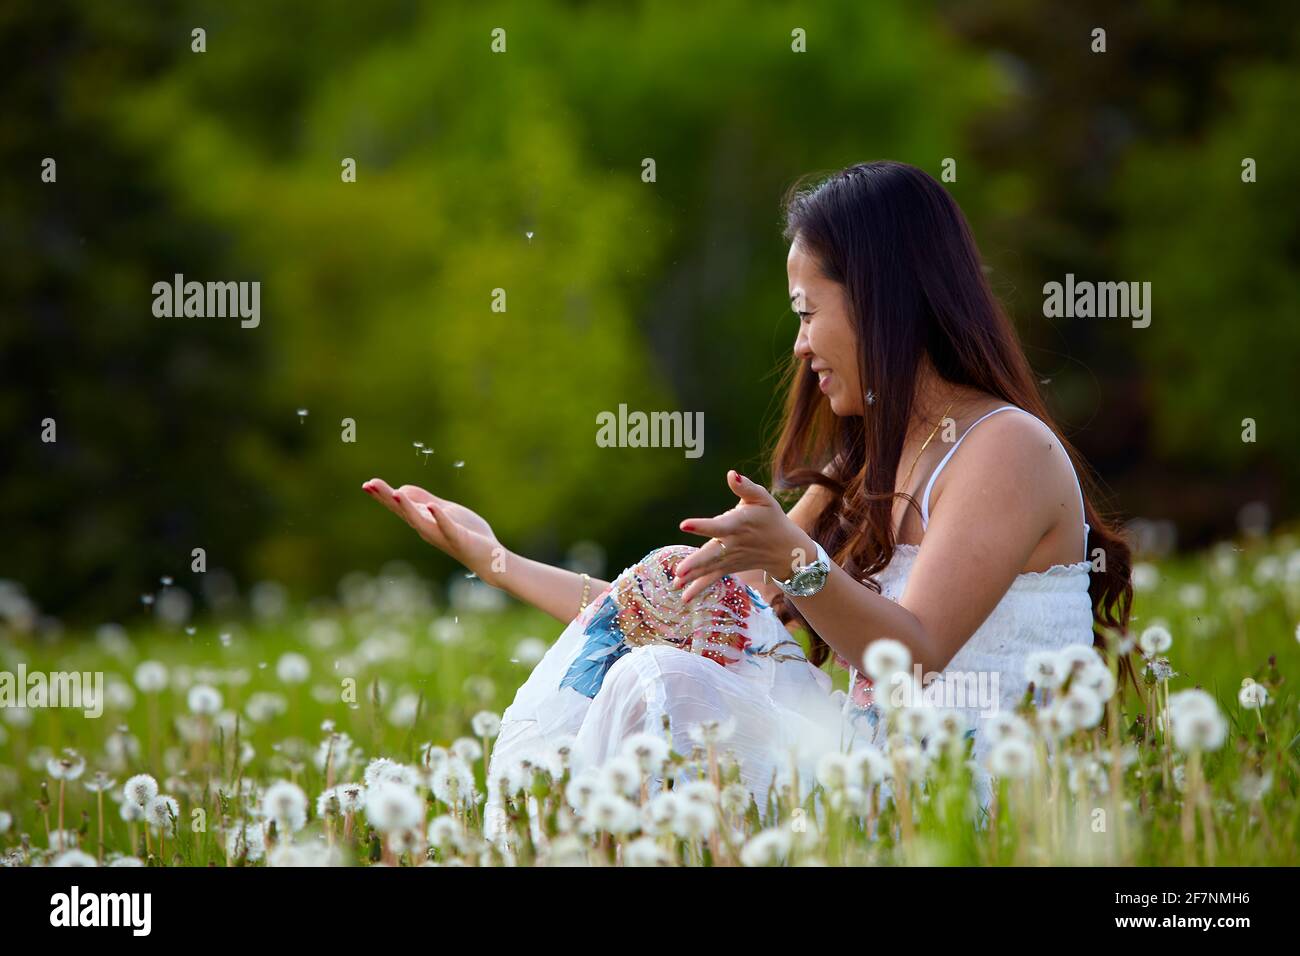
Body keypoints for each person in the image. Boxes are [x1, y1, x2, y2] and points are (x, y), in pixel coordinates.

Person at [362, 160, 1134, 845]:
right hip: (870, 780)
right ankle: (544, 837)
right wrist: (494, 559)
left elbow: (914, 654)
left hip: (971, 804)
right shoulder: (872, 461)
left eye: (808, 312)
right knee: (662, 620)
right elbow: (682, 609)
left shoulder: (1006, 449)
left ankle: (539, 842)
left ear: (879, 300)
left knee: (658, 684)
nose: (799, 344)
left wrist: (797, 563)